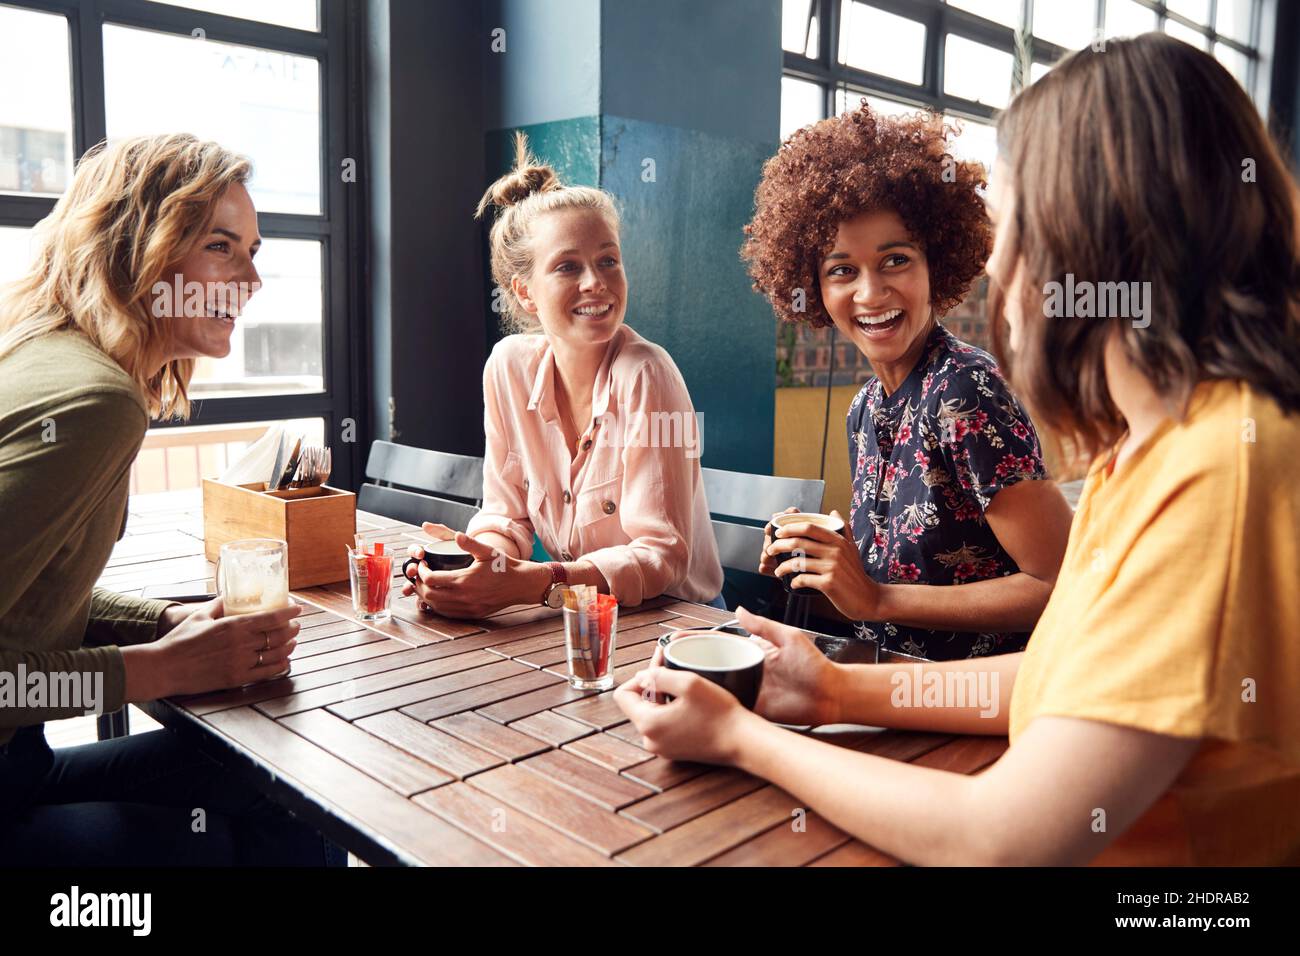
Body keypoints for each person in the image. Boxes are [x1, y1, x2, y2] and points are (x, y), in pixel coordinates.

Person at [616, 34, 1300, 864]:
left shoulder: (1220, 471)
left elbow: (998, 839)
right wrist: (827, 686)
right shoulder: (1146, 457)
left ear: (1084, 237)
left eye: (1016, 223)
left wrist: (740, 739)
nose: (1001, 261)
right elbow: (1058, 677)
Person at [0, 134, 343, 865]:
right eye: (223, 246)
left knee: (282, 784)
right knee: (216, 841)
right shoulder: (94, 401)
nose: (250, 280)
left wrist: (165, 621)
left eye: (253, 249)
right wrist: (161, 668)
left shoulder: (53, 359)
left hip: (20, 769)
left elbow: (26, 604)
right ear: (138, 248)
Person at [743, 104, 1073, 660]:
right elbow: (904, 563)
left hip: (972, 701)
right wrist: (826, 551)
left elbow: (1057, 584)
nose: (870, 293)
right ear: (815, 288)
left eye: (894, 260)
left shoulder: (966, 392)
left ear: (934, 266)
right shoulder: (865, 407)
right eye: (842, 270)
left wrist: (876, 599)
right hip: (883, 680)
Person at [403, 133, 723, 618]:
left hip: (679, 624)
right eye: (568, 267)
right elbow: (506, 514)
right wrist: (477, 563)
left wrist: (537, 583)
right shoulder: (507, 368)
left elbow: (663, 557)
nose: (595, 282)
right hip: (578, 615)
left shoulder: (647, 374)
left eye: (608, 261)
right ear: (525, 293)